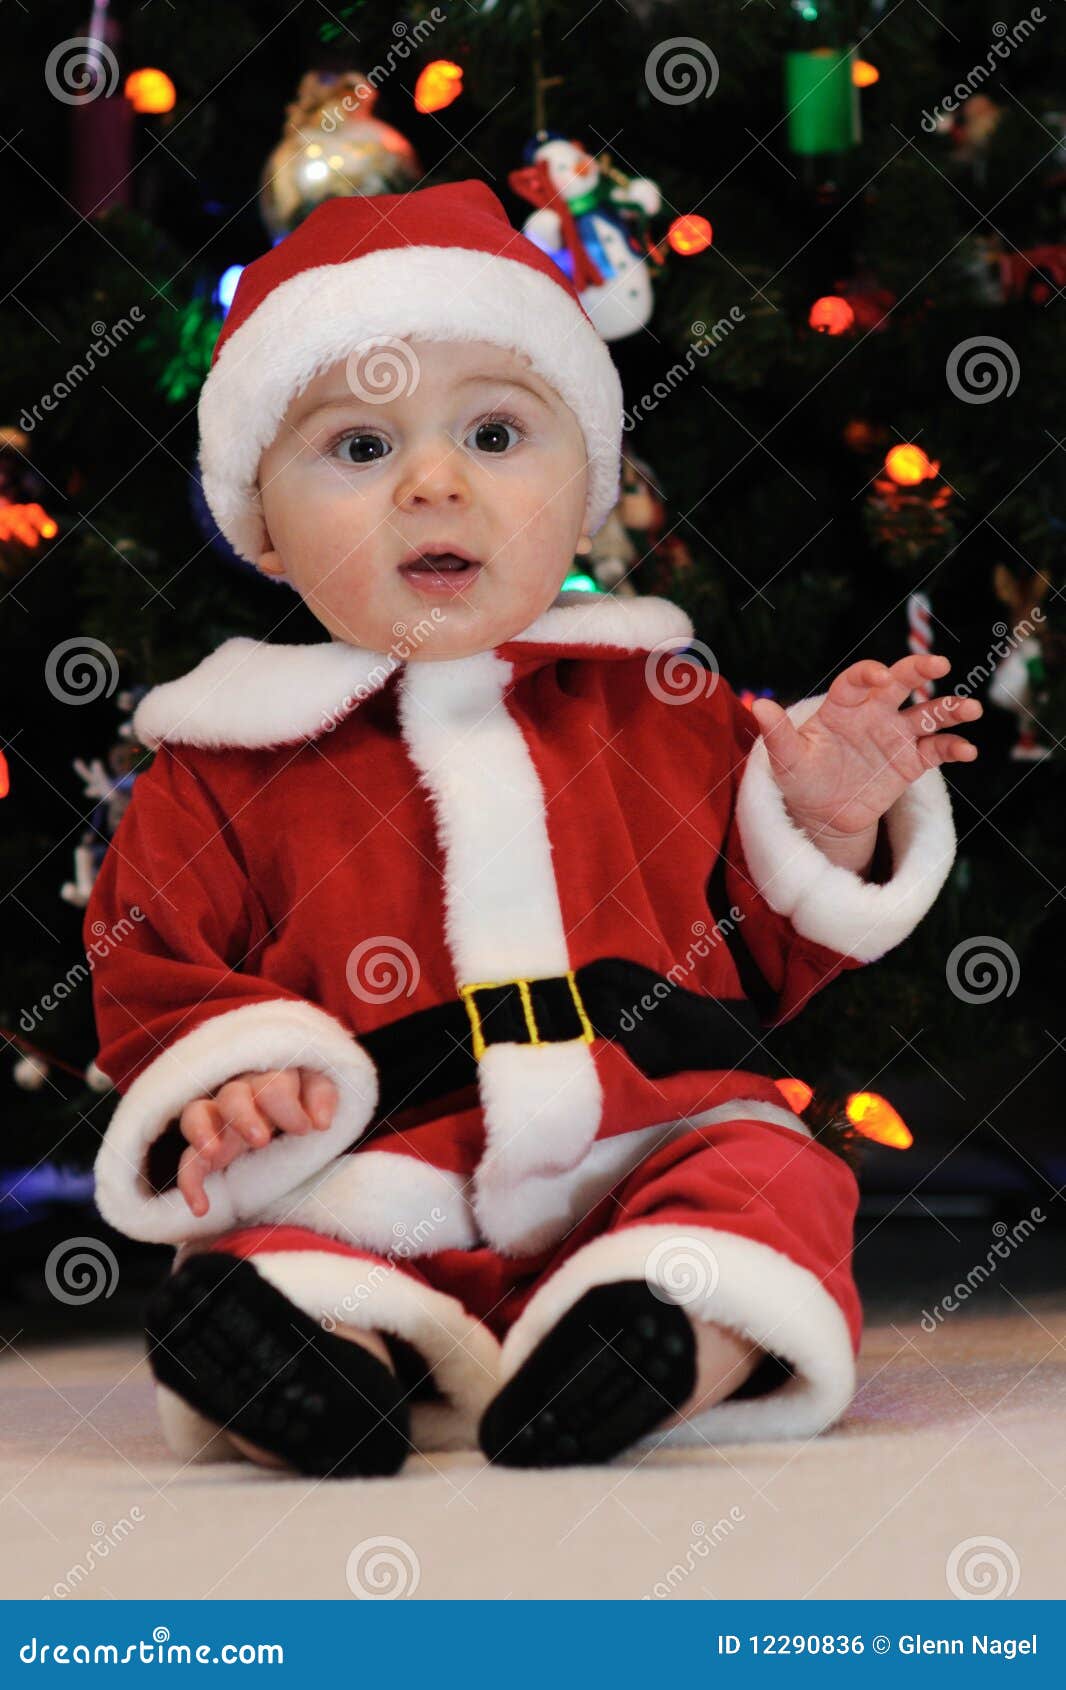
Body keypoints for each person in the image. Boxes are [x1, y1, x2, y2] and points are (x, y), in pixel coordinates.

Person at [86, 180, 979, 1478]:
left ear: (587, 493)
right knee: (272, 1256)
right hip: (380, 1171)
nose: (434, 484)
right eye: (359, 448)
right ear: (264, 529)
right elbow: (148, 967)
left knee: (772, 1183)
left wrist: (823, 820)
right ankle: (321, 1369)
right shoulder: (224, 760)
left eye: (496, 434)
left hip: (644, 1146)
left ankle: (657, 1341)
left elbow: (767, 949)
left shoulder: (662, 705)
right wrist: (234, 1083)